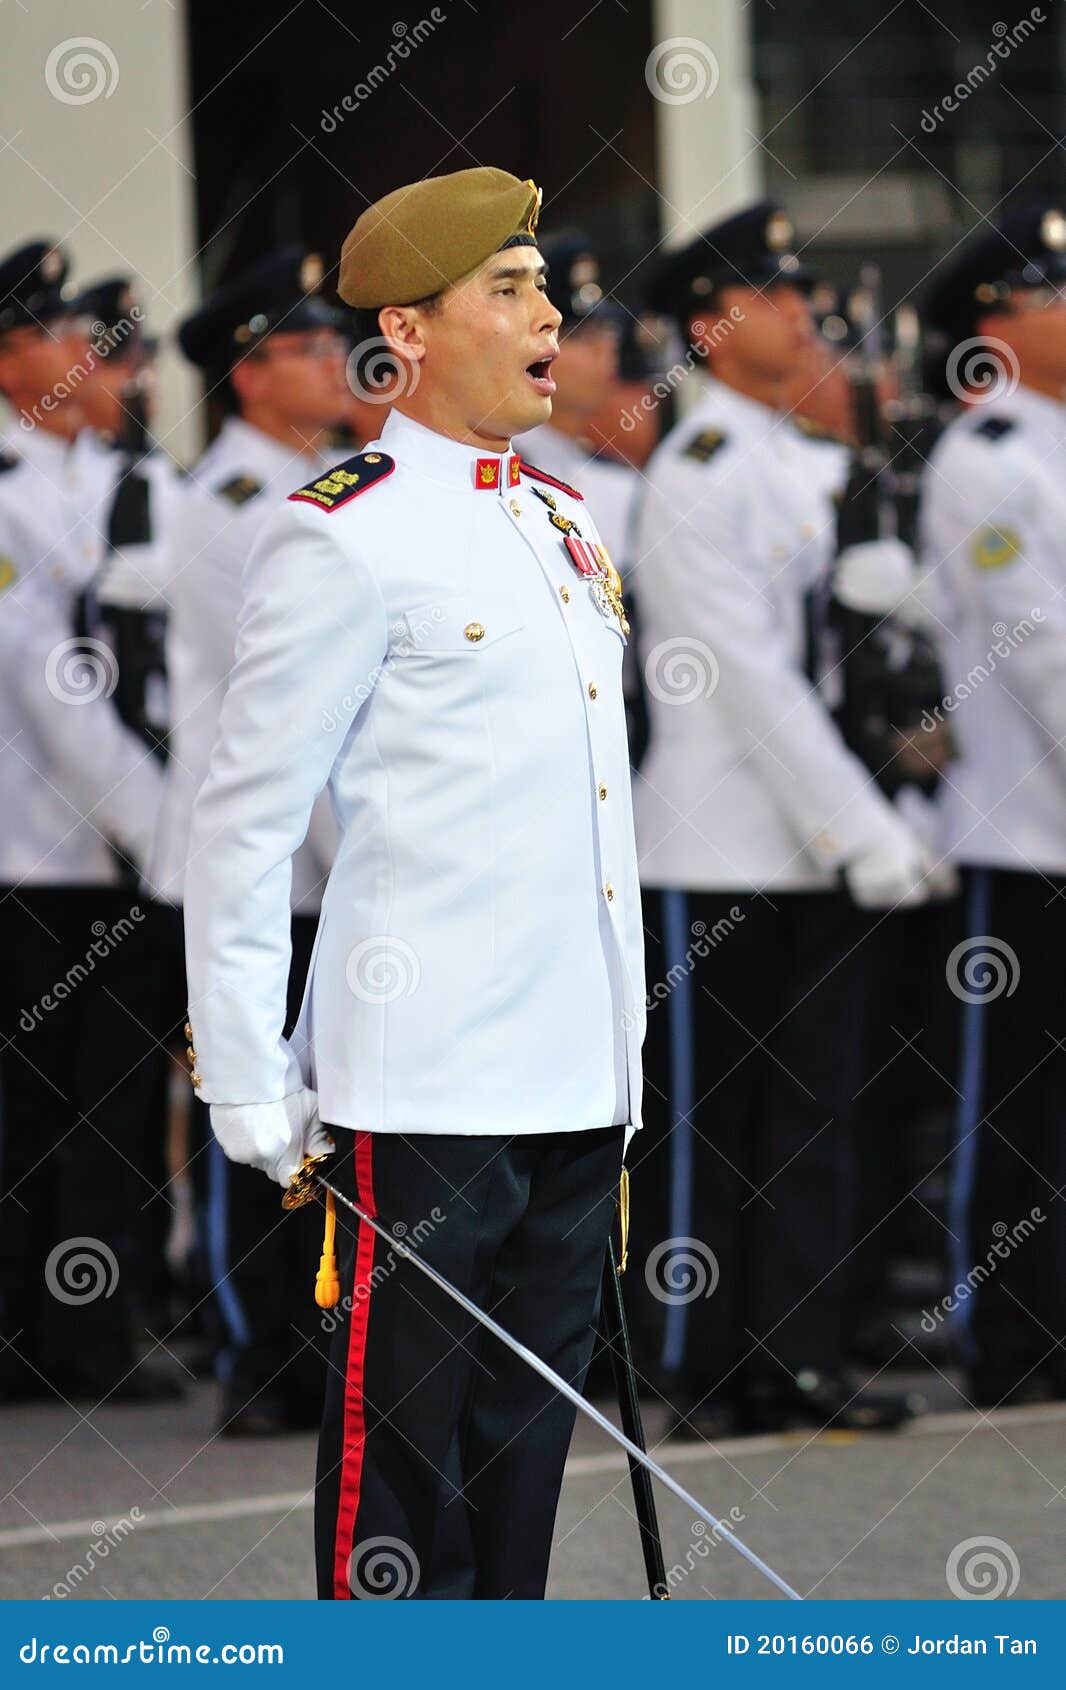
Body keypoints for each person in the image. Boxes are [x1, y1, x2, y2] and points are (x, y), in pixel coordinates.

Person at [183, 166, 645, 1600]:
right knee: (406, 1470)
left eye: (544, 288)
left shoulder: (563, 522)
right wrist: (249, 1077)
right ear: (410, 327)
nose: (546, 313)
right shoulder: (342, 531)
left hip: (577, 1071)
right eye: (505, 288)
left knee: (519, 1466)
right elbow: (244, 819)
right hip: (430, 1081)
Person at [625, 202, 931, 1438]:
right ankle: (694, 1359)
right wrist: (860, 823)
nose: (807, 315)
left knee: (813, 1111)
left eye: (807, 296)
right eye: (778, 295)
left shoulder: (786, 462)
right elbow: (746, 677)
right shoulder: (697, 472)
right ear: (711, 325)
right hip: (720, 843)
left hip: (802, 841)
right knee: (707, 1123)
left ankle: (790, 1350)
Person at [148, 247, 349, 1435]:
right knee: (249, 1088)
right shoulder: (228, 505)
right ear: (247, 372)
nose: (336, 362)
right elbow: (275, 715)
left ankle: (306, 1335)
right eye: (307, 346)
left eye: (334, 342)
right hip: (258, 856)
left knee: (319, 1098)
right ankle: (250, 1349)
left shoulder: (322, 484)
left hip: (316, 859)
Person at [0, 241, 174, 1401]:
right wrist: (147, 820)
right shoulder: (11, 491)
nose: (91, 363)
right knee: (25, 1105)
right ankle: (25, 1330)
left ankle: (95, 1327)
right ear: (13, 357)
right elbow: (47, 680)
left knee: (111, 1101)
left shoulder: (104, 476)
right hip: (31, 848)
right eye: (68, 340)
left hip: (119, 847)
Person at [920, 202, 1066, 1408]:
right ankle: (1004, 1334)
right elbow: (1035, 645)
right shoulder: (986, 452)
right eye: (1047, 292)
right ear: (992, 327)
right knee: (1011, 1098)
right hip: (1022, 831)